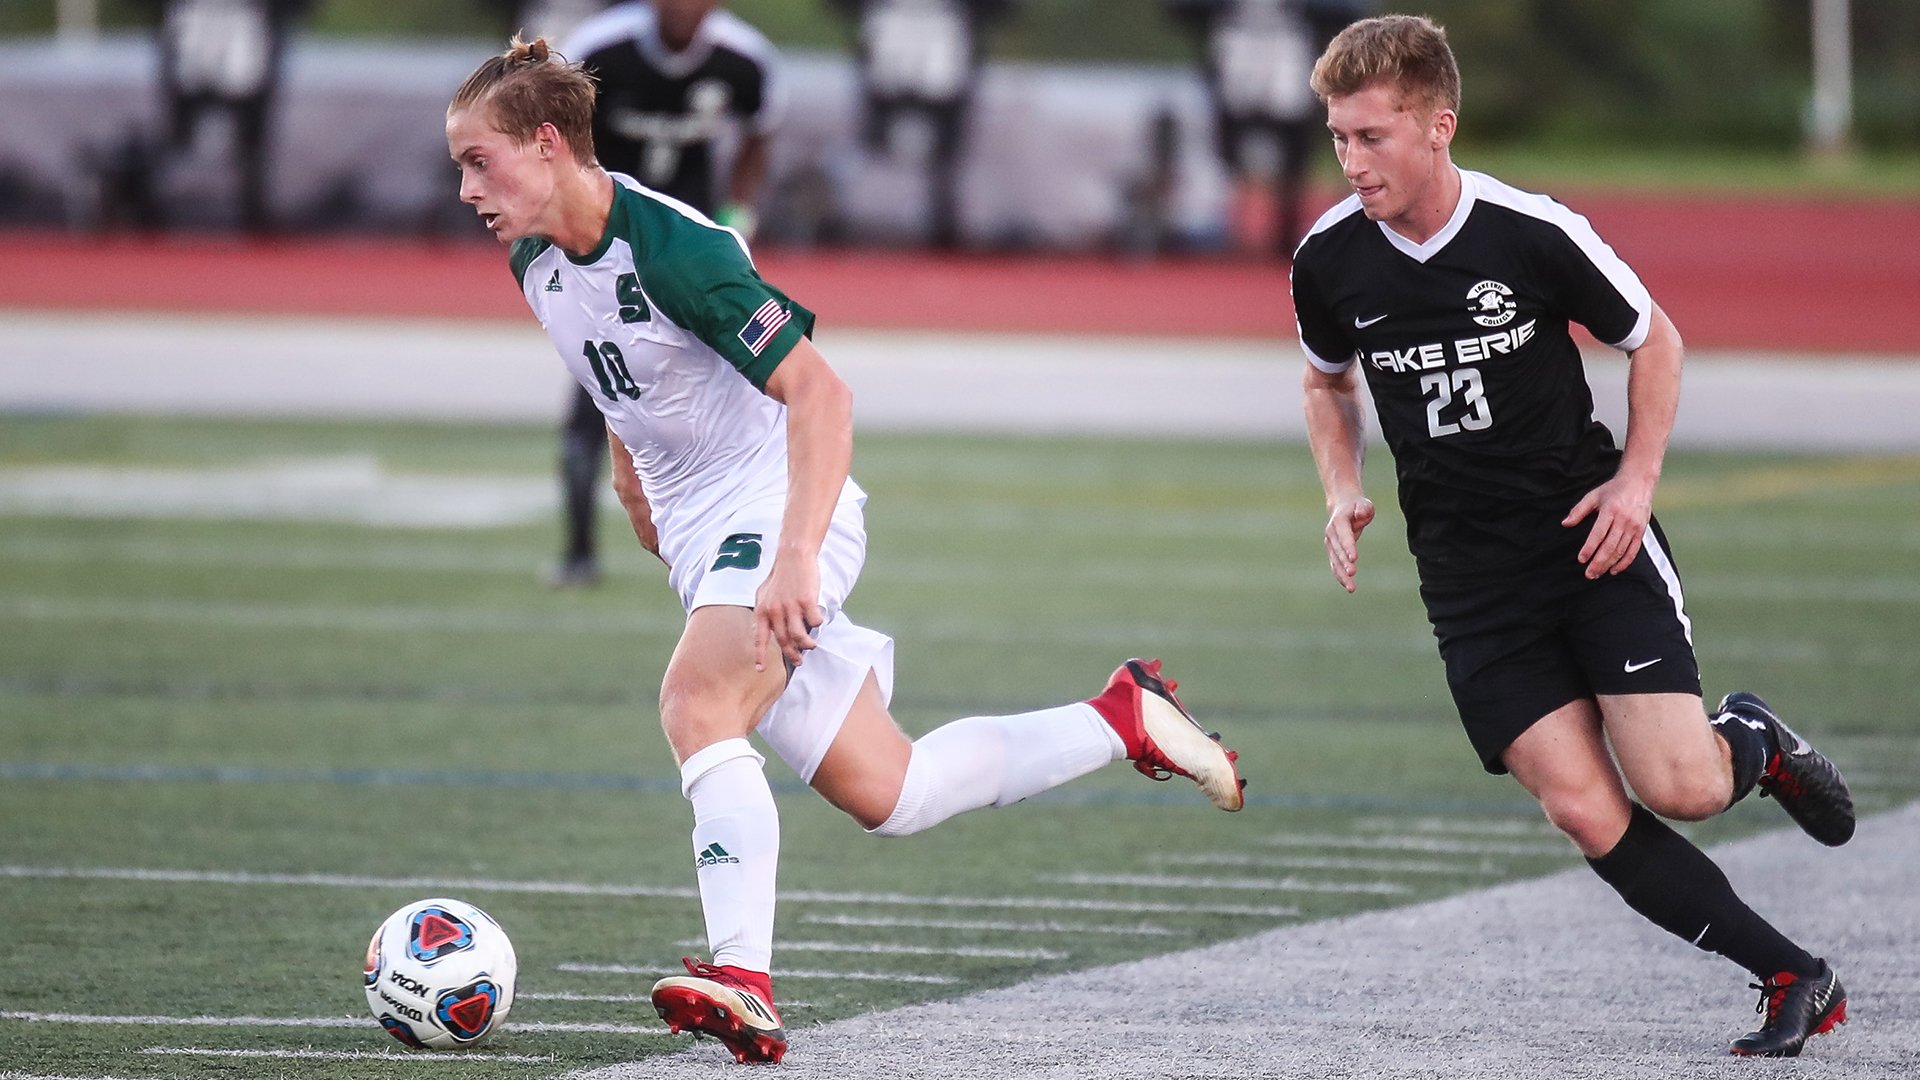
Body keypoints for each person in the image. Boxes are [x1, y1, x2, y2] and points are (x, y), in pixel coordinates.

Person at [445, 39, 1247, 1064]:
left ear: (547, 144)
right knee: (894, 792)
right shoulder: (532, 255)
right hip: (709, 537)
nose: (465, 187)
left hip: (779, 505)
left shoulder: (678, 250)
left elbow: (823, 394)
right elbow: (615, 377)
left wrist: (794, 556)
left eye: (479, 161)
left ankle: (744, 977)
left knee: (696, 704)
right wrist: (633, 483)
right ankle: (1121, 715)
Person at [1292, 16, 1854, 1059]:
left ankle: (1756, 741)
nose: (1351, 161)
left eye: (1371, 137)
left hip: (1585, 537)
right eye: (1338, 138)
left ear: (1437, 126)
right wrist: (1340, 488)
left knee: (1681, 788)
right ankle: (1791, 975)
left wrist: (1636, 483)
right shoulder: (1328, 259)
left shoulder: (1529, 229)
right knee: (1586, 812)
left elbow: (1655, 339)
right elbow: (1326, 382)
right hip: (1470, 581)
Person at [543, 0, 784, 586]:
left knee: (732, 386)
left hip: (689, 251)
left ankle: (749, 532)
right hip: (609, 245)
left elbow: (760, 131)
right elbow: (552, 134)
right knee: (601, 385)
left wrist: (738, 212)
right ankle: (579, 549)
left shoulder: (744, 58)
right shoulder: (601, 48)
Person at [1166, 0, 1361, 258]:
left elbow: (1344, 11)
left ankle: (1287, 230)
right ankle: (1236, 229)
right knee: (1231, 150)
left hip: (1289, 52)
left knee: (1294, 147)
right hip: (1237, 49)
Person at [828, 0, 1016, 249]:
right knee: (869, 148)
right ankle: (847, 216)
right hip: (888, 59)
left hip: (946, 61)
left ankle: (944, 225)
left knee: (945, 158)